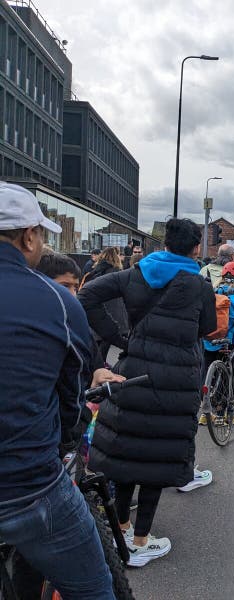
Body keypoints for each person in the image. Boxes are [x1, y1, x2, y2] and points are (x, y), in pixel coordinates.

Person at [0, 182, 124, 598]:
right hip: (26, 487)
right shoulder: (57, 301)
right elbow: (70, 397)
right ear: (28, 237)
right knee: (94, 588)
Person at [78, 218, 217, 567]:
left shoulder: (135, 274)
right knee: (159, 454)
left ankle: (122, 529)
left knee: (128, 450)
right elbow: (208, 328)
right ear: (195, 248)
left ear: (165, 243)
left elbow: (87, 296)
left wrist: (121, 337)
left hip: (132, 374)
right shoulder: (199, 285)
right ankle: (141, 541)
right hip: (176, 379)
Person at [200, 261, 234, 425]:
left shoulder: (211, 295)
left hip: (209, 341)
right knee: (227, 376)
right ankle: (222, 414)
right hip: (228, 344)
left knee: (207, 375)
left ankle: (205, 413)